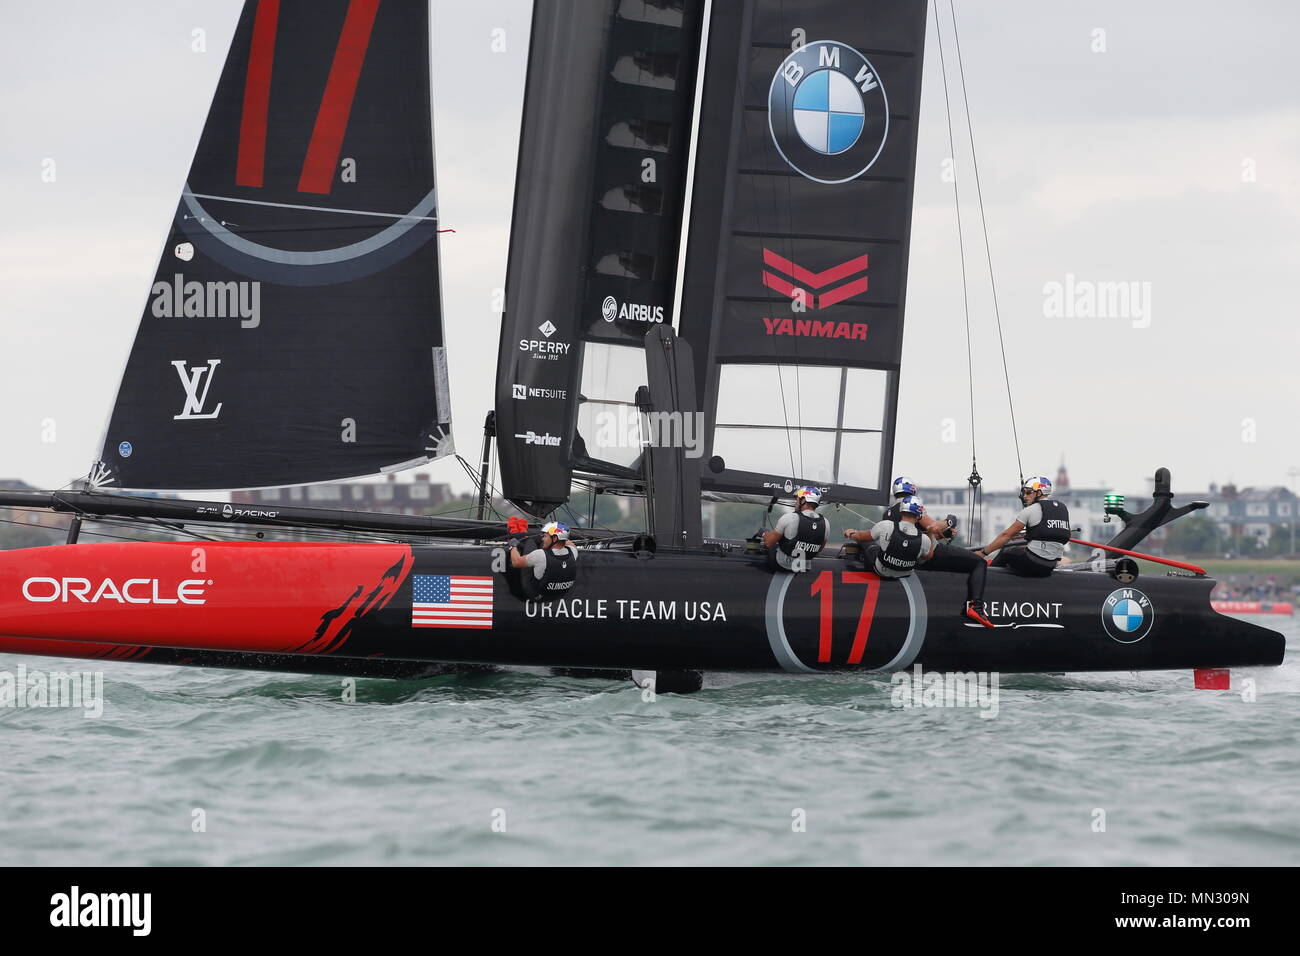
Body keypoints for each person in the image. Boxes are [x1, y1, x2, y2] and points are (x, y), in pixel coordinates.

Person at [872, 477, 993, 626]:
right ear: (912, 491)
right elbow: (934, 527)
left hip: (911, 559)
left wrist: (946, 534)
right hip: (931, 554)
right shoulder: (910, 506)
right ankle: (975, 606)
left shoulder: (887, 514)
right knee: (979, 562)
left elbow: (922, 532)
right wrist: (950, 521)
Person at [977, 476, 1069, 577]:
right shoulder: (1062, 508)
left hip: (1034, 563)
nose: (1025, 496)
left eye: (1028, 492)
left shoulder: (1030, 510)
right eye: (1024, 492)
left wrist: (983, 553)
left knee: (1006, 552)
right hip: (1051, 565)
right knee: (1020, 551)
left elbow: (1006, 536)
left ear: (1039, 493)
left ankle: (989, 578)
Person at [763, 487, 829, 572]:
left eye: (797, 499)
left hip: (782, 564)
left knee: (771, 545)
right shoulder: (826, 523)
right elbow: (819, 549)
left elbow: (768, 543)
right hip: (804, 567)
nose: (795, 503)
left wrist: (764, 533)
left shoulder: (790, 517)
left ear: (803, 500)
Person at [509, 520, 578, 599]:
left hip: (536, 595)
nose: (542, 538)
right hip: (558, 595)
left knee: (530, 542)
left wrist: (513, 546)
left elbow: (516, 562)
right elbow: (568, 543)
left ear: (555, 538)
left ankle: (521, 534)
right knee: (543, 547)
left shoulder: (540, 555)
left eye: (545, 536)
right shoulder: (573, 552)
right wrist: (560, 537)